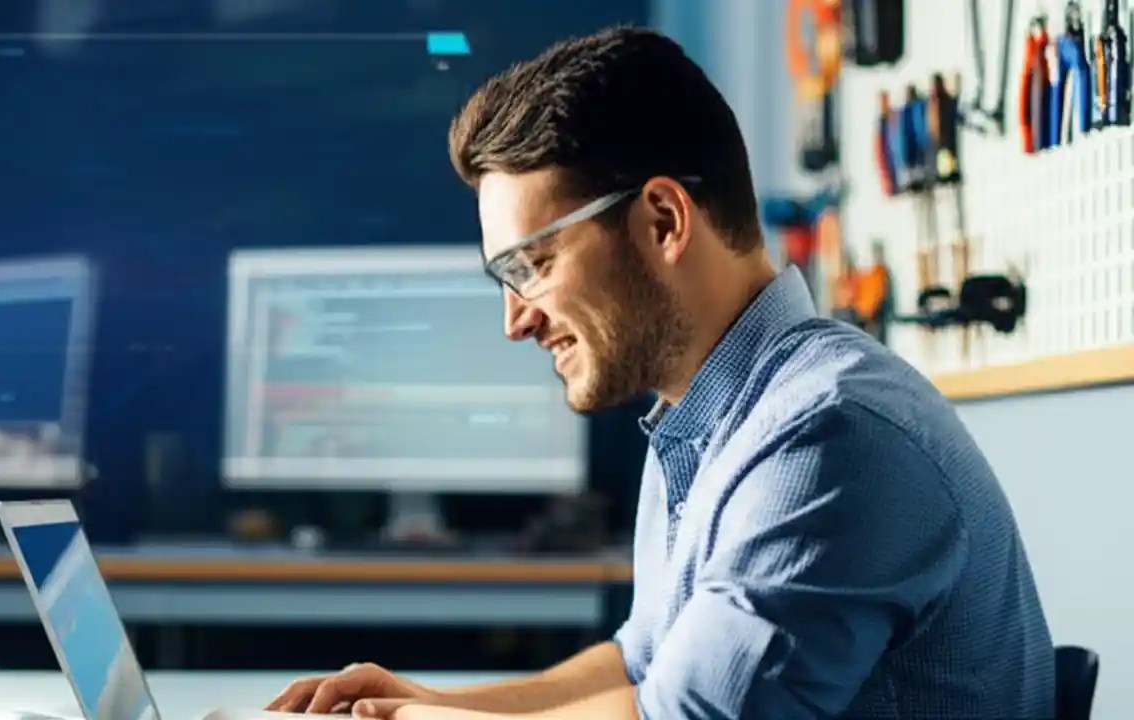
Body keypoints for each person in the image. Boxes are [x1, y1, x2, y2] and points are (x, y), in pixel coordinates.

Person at [266, 26, 1055, 720]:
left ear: (664, 220)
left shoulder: (828, 432)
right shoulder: (707, 417)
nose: (515, 320)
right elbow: (641, 662)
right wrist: (428, 701)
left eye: (531, 266)